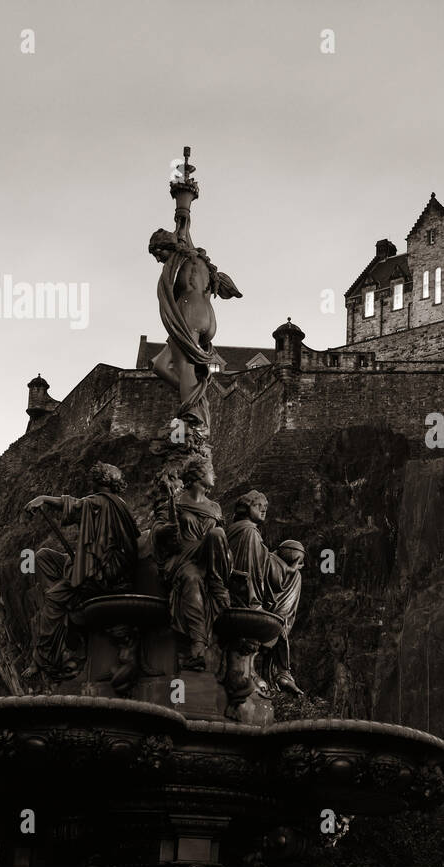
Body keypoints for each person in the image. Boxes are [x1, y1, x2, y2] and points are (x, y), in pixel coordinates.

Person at [22, 463, 139, 680]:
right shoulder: (116, 504)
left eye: (95, 479)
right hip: (95, 564)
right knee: (44, 556)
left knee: (54, 599)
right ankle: (69, 601)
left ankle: (45, 659)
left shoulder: (101, 502)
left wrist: (44, 499)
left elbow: (74, 505)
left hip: (100, 573)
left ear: (101, 481)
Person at [147, 201, 240, 440]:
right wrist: (183, 207)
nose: (159, 261)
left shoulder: (180, 257)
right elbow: (184, 227)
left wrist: (182, 210)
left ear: (166, 246)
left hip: (189, 311)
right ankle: (195, 400)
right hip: (207, 316)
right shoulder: (197, 260)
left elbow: (181, 230)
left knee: (185, 365)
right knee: (159, 364)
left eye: (159, 254)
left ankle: (193, 419)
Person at [153, 453, 230, 671]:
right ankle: (197, 646)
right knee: (192, 577)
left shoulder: (215, 507)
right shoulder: (176, 502)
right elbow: (157, 530)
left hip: (209, 557)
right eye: (210, 471)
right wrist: (165, 530)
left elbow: (222, 540)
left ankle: (216, 581)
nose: (214, 475)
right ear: (198, 475)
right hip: (184, 558)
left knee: (216, 534)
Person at [224, 490, 304, 695]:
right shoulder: (248, 532)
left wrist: (283, 565)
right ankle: (281, 671)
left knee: (293, 576)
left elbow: (262, 561)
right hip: (244, 594)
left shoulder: (241, 531)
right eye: (258, 505)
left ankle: (280, 671)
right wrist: (288, 570)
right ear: (245, 507)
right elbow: (252, 567)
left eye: (265, 506)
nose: (263, 509)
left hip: (240, 589)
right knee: (294, 580)